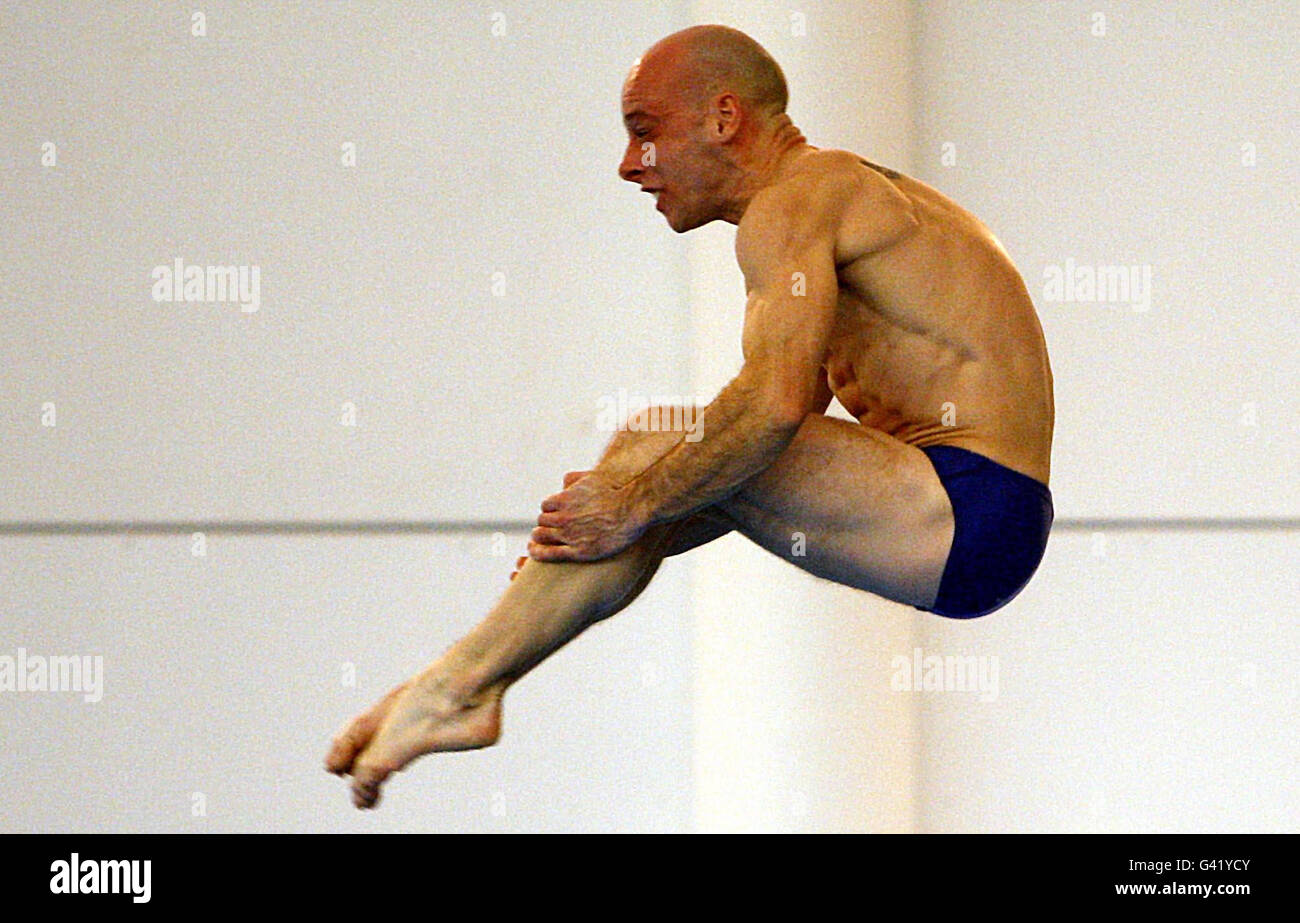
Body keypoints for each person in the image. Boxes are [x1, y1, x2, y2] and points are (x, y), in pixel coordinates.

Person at [326, 24, 1054, 809]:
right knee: (653, 467)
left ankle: (458, 684)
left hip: (970, 502)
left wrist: (631, 501)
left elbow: (768, 409)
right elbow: (752, 459)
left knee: (655, 446)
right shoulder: (833, 206)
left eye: (645, 132)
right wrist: (608, 536)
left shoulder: (797, 203)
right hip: (968, 514)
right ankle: (467, 680)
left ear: (724, 118)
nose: (629, 164)